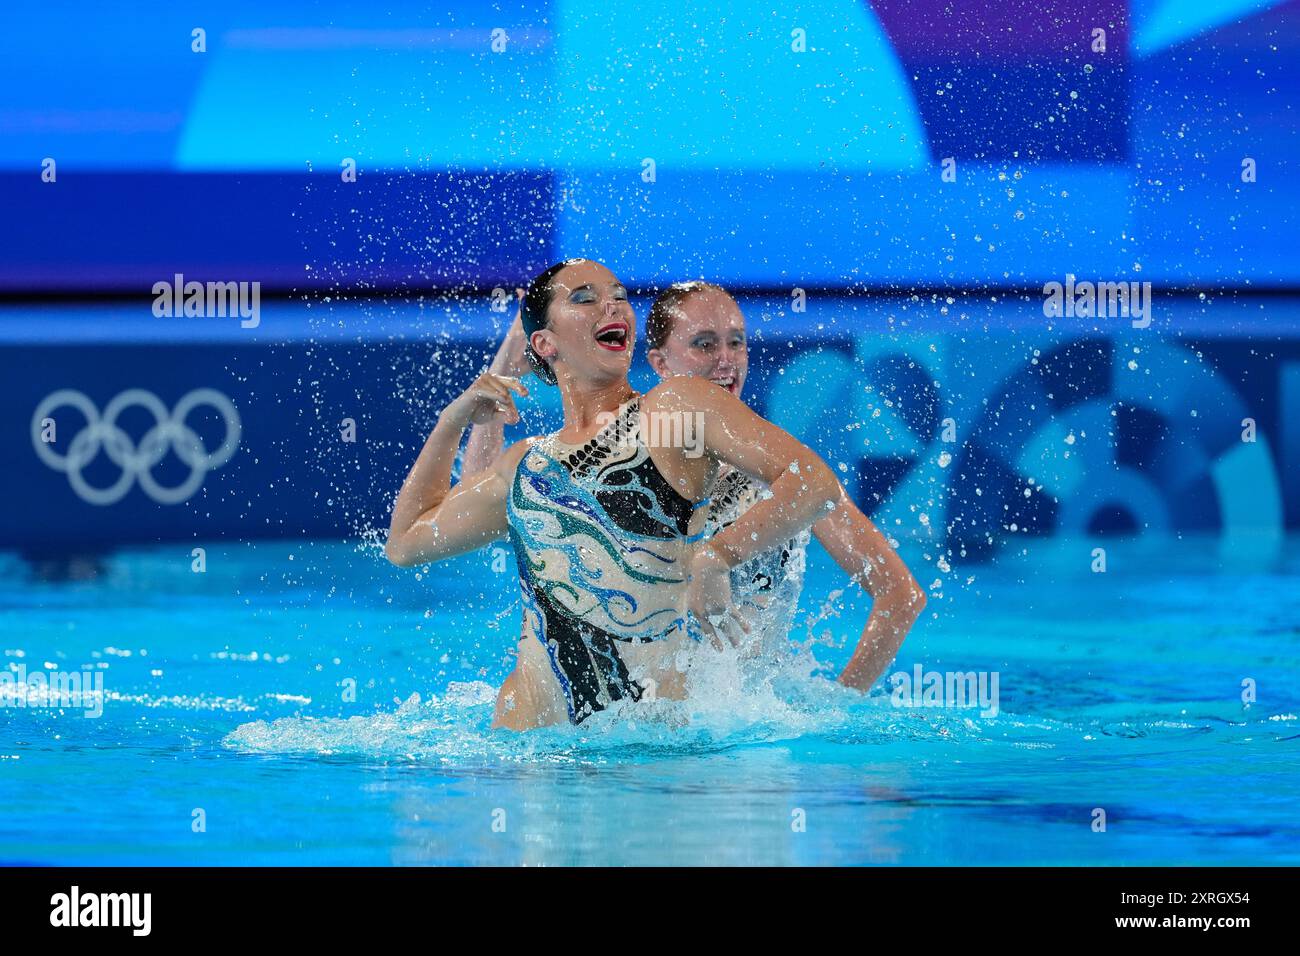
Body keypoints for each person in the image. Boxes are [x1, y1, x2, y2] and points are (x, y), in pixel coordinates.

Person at [385, 259, 843, 730]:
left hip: (641, 768)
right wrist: (451, 421)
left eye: (620, 296)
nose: (613, 306)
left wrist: (717, 556)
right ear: (544, 343)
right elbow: (406, 543)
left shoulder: (674, 408)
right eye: (584, 298)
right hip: (524, 765)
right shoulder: (525, 465)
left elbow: (813, 482)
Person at [464, 279, 926, 696]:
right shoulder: (624, 463)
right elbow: (484, 504)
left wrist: (835, 710)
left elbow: (899, 595)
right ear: (660, 363)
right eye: (705, 345)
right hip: (643, 723)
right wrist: (506, 366)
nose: (726, 361)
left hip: (736, 737)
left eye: (736, 343)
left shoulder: (786, 479)